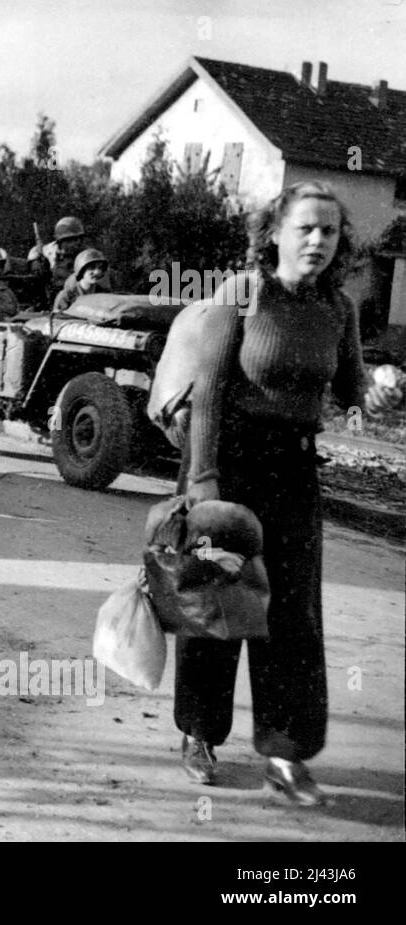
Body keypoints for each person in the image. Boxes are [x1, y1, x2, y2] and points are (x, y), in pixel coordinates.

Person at [177, 180, 394, 804]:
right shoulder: (242, 296)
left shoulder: (339, 309)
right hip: (230, 466)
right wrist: (203, 481)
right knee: (218, 606)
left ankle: (286, 755)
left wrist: (376, 395)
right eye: (305, 228)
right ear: (274, 233)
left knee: (293, 618)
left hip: (295, 472)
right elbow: (210, 395)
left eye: (329, 230)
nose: (318, 241)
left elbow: (351, 394)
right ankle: (199, 733)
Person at [28, 215, 87, 306]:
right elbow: (36, 258)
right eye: (71, 240)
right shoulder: (47, 251)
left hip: (75, 298)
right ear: (61, 241)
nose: (77, 243)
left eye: (79, 239)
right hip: (49, 295)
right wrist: (36, 261)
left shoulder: (85, 254)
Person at [52, 248, 111, 312]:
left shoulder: (103, 294)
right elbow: (57, 318)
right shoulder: (67, 296)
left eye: (100, 268)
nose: (97, 272)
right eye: (92, 268)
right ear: (81, 271)